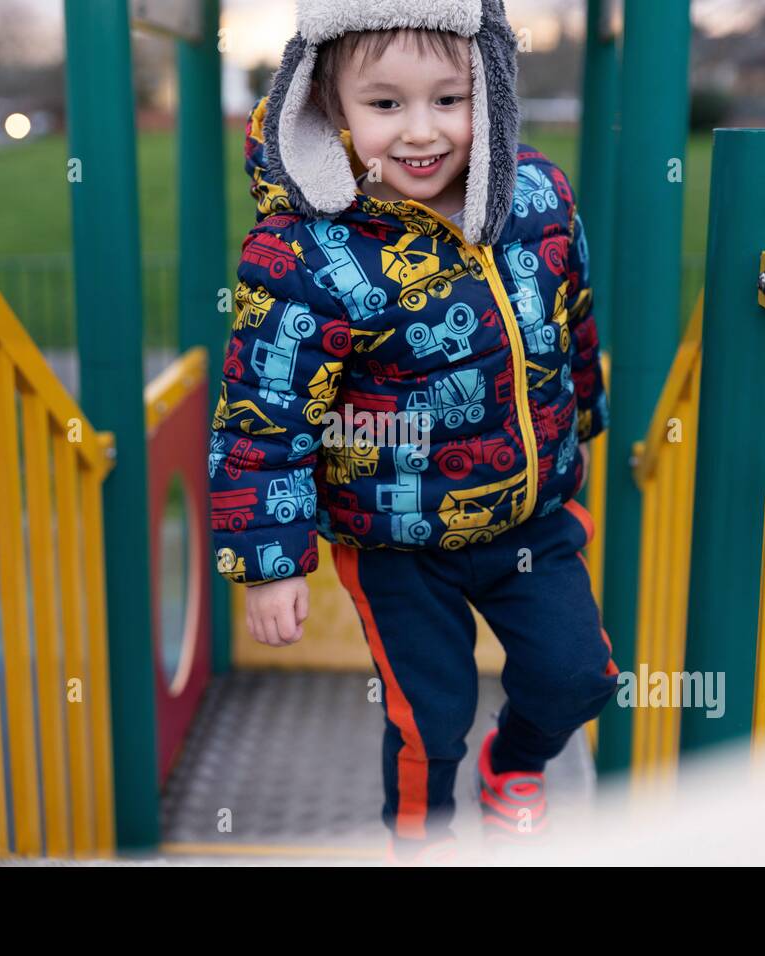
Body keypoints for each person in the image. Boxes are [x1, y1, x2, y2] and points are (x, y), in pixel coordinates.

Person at [207, 0, 617, 865]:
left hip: (526, 520)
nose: (421, 132)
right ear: (330, 108)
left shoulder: (536, 197)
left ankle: (518, 767)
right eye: (385, 104)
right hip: (396, 541)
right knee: (427, 718)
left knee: (579, 675)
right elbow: (264, 415)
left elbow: (567, 313)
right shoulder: (306, 256)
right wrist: (270, 563)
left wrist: (584, 408)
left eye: (450, 98)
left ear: (492, 91)